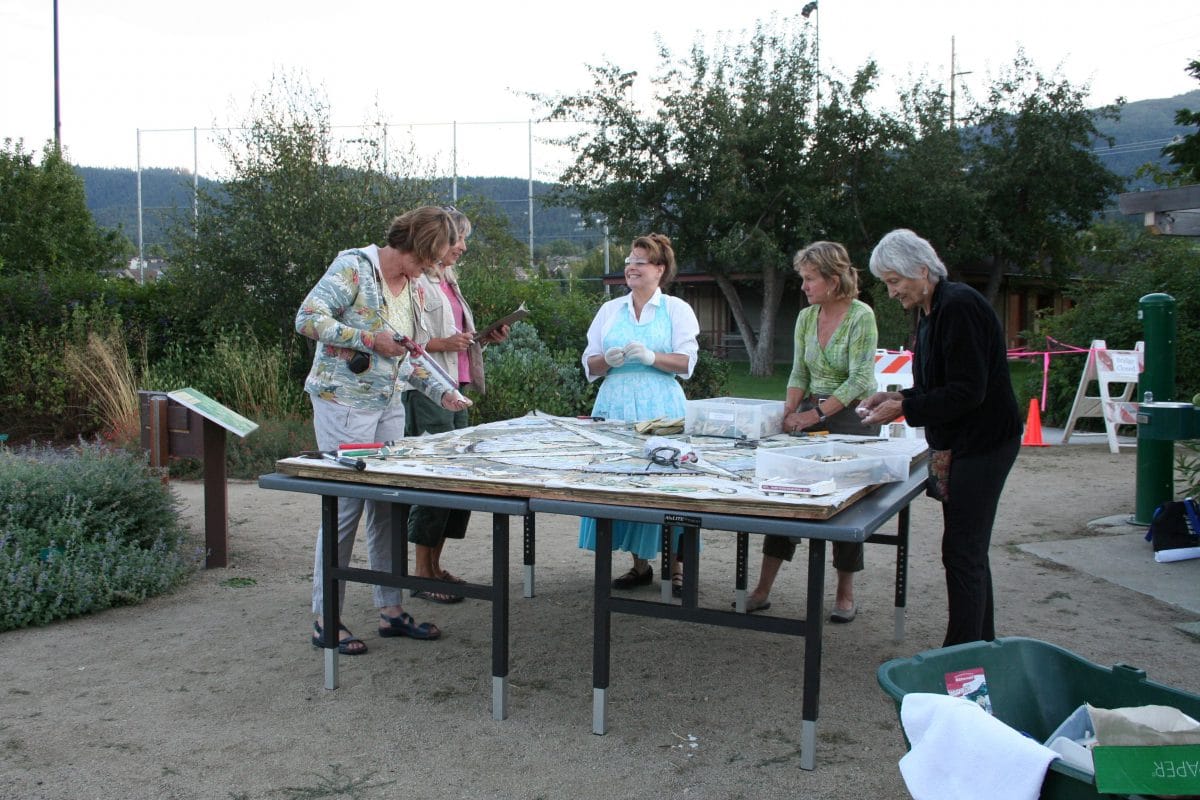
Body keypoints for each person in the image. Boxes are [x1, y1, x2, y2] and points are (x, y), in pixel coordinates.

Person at [296, 205, 472, 655]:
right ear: (409, 243)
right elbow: (308, 319)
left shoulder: (411, 286)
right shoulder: (354, 266)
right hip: (343, 405)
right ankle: (325, 618)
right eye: (428, 259)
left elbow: (409, 354)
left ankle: (390, 611)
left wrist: (443, 392)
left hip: (388, 406)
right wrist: (365, 339)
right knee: (345, 510)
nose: (429, 270)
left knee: (388, 507)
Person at [859, 228, 1022, 647]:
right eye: (887, 283)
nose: (892, 292)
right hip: (960, 443)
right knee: (965, 550)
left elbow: (969, 390)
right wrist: (896, 397)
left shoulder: (959, 306)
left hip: (984, 442)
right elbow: (937, 385)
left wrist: (905, 407)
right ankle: (977, 644)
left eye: (894, 281)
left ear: (923, 269)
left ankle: (963, 653)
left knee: (963, 551)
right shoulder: (932, 312)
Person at [742, 241, 880, 621]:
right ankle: (763, 588)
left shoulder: (860, 316)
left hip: (852, 417)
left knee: (845, 505)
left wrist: (814, 415)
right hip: (811, 413)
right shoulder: (806, 317)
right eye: (802, 278)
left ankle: (844, 594)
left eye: (809, 279)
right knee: (788, 495)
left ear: (834, 280)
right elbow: (799, 372)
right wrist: (786, 413)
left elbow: (860, 379)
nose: (803, 286)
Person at [578, 233, 700, 595]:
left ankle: (677, 567)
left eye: (639, 262)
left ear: (659, 269)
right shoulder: (610, 310)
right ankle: (639, 564)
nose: (631, 267)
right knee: (622, 480)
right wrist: (608, 360)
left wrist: (651, 357)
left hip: (660, 404)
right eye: (629, 261)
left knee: (669, 483)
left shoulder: (676, 309)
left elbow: (686, 362)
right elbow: (590, 363)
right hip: (615, 402)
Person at [404, 207, 509, 603]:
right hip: (428, 393)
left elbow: (456, 338)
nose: (463, 247)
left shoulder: (448, 282)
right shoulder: (415, 282)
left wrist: (482, 337)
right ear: (438, 241)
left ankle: (434, 567)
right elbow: (405, 340)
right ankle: (420, 573)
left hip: (457, 387)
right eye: (457, 239)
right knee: (434, 477)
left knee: (455, 481)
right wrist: (445, 344)